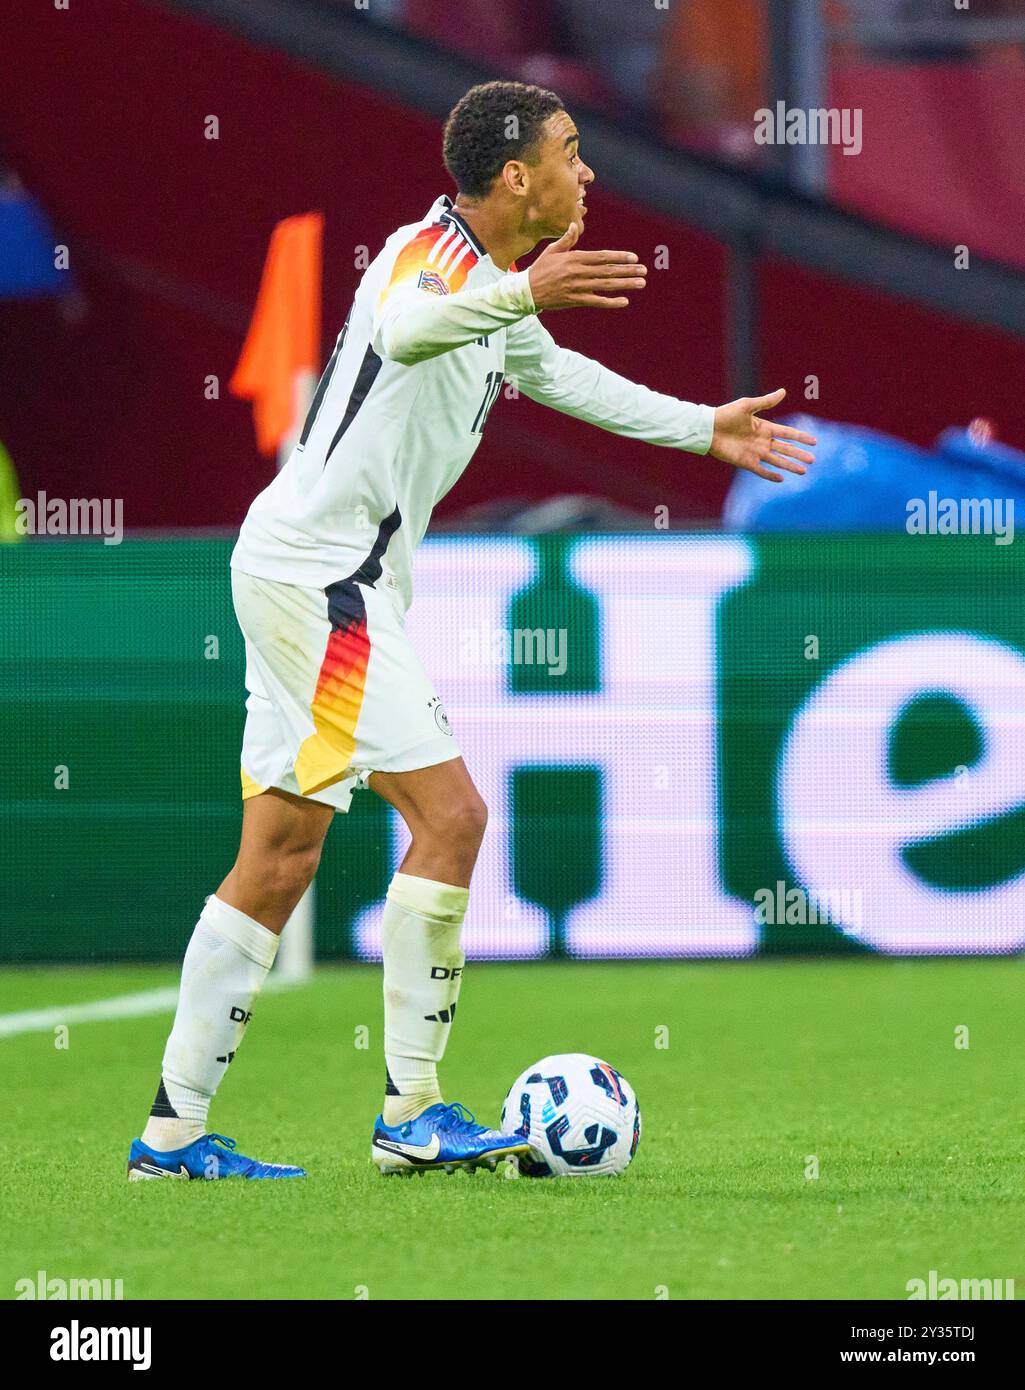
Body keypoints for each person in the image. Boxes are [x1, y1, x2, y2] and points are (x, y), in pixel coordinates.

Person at [127, 80, 814, 1181]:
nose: (586, 172)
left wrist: (701, 428)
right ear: (512, 178)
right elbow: (404, 328)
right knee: (450, 816)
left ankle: (168, 1138)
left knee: (280, 851)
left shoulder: (490, 292)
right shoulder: (426, 261)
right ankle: (412, 1110)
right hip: (324, 583)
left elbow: (556, 373)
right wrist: (519, 291)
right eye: (569, 151)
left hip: (316, 575)